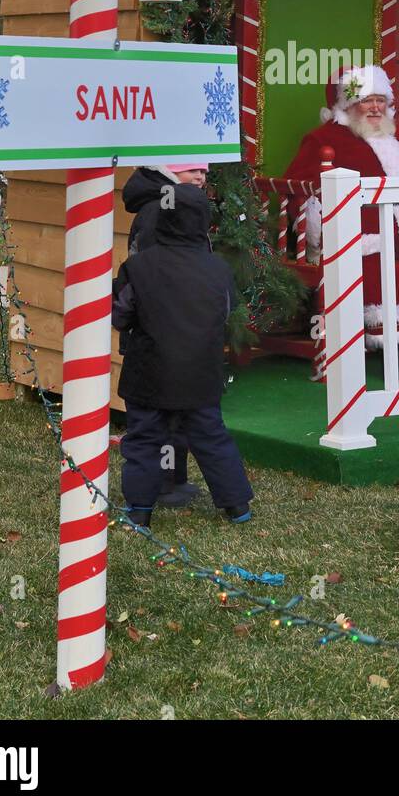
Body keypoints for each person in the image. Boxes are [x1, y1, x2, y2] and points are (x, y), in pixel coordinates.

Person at [113, 183, 253, 528]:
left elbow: (120, 315)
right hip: (200, 372)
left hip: (149, 371)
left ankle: (140, 512)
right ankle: (237, 506)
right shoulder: (218, 269)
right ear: (203, 221)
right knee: (210, 436)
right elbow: (225, 311)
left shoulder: (138, 266)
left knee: (145, 439)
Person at [285, 64, 399, 381]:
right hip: (354, 234)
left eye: (380, 99)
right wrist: (319, 229)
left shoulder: (397, 135)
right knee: (380, 261)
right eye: (365, 100)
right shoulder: (324, 139)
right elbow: (298, 188)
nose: (375, 107)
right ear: (348, 104)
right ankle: (391, 347)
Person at [118, 162, 211, 511]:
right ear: (171, 173)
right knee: (162, 415)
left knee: (173, 412)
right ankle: (161, 485)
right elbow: (157, 276)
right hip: (163, 332)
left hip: (168, 330)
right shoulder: (162, 211)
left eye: (204, 171)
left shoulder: (171, 203)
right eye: (191, 171)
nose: (201, 177)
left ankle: (171, 480)